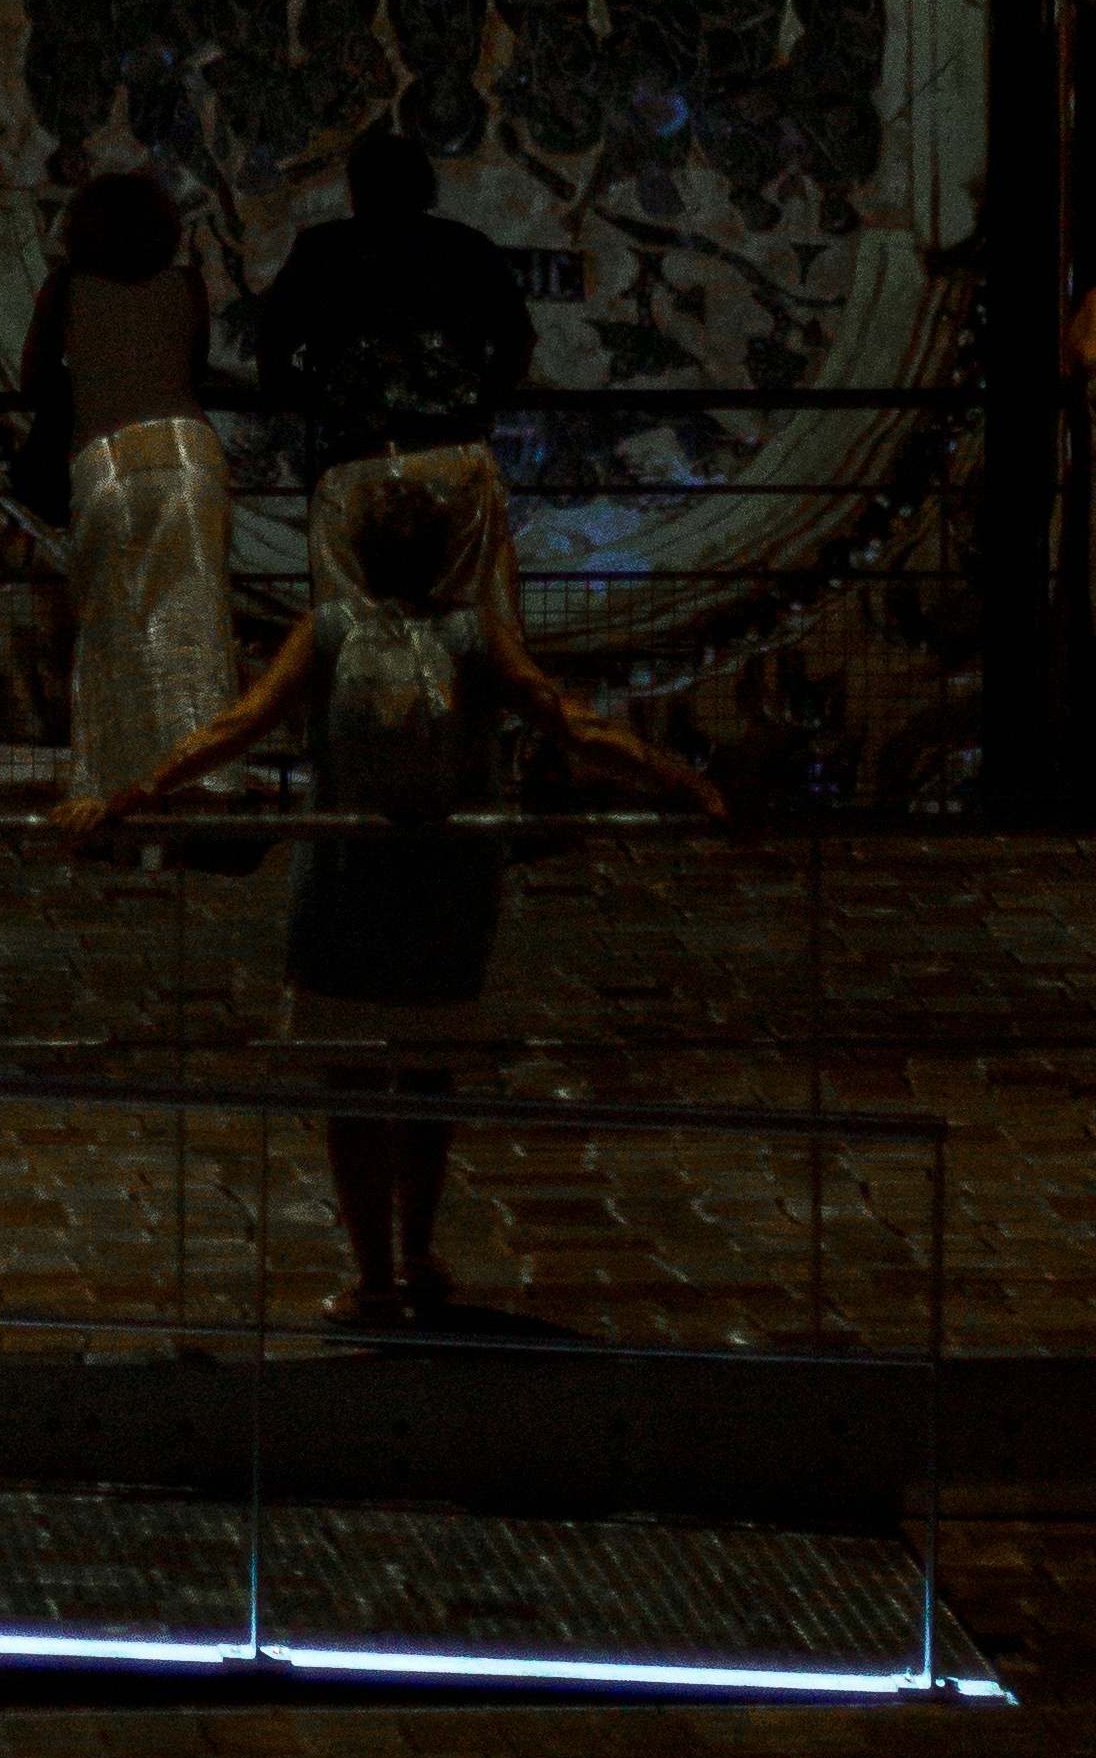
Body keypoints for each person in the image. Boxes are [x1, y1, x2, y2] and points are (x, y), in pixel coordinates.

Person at [59, 463, 726, 1329]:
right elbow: (570, 719)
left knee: (352, 1080)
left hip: (345, 884)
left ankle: (371, 1275)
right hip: (450, 885)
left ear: (358, 556)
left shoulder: (329, 632)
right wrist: (678, 780)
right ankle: (420, 1252)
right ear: (451, 557)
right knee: (429, 1074)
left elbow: (239, 724)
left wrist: (136, 789)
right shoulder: (477, 637)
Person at [250, 130, 538, 652]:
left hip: (354, 461)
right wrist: (478, 402)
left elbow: (271, 349)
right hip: (454, 454)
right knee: (473, 625)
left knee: (355, 628)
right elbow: (517, 341)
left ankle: (365, 722)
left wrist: (320, 398)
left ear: (355, 187)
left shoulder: (322, 249)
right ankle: (475, 723)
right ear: (425, 185)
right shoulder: (467, 247)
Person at [21, 172, 235, 804]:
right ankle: (201, 781)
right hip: (189, 452)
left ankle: (111, 788)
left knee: (111, 626)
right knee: (194, 620)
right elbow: (192, 370)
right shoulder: (186, 286)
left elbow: (34, 377)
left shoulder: (67, 289)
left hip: (107, 455)